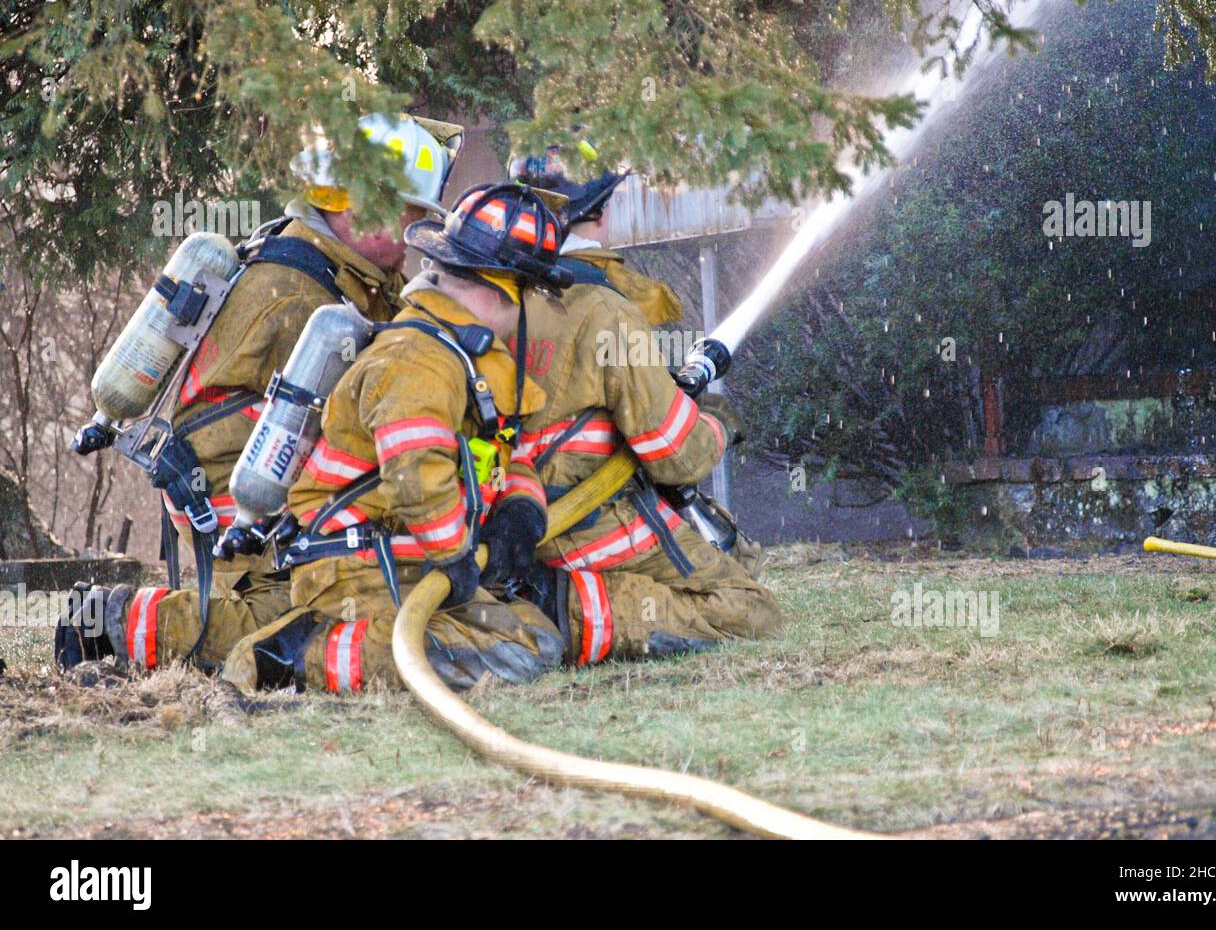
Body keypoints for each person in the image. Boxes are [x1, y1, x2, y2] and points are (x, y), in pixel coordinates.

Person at [56, 115, 457, 673]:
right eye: (411, 218)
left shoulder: (325, 267)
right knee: (300, 620)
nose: (416, 237)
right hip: (243, 518)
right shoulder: (302, 296)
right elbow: (360, 425)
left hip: (245, 502)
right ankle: (107, 621)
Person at [222, 182, 573, 693]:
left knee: (537, 639)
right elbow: (414, 472)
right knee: (515, 656)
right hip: (357, 569)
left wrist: (520, 511)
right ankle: (292, 657)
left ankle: (314, 645)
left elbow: (501, 452)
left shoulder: (462, 354)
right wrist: (455, 555)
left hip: (402, 563)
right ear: (500, 289)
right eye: (534, 294)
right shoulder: (417, 356)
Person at [510, 151, 781, 666]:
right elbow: (673, 453)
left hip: (511, 519)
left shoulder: (502, 292)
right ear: (603, 211)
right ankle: (559, 609)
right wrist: (717, 425)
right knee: (749, 608)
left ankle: (558, 597)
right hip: (583, 518)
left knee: (733, 554)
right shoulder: (604, 309)